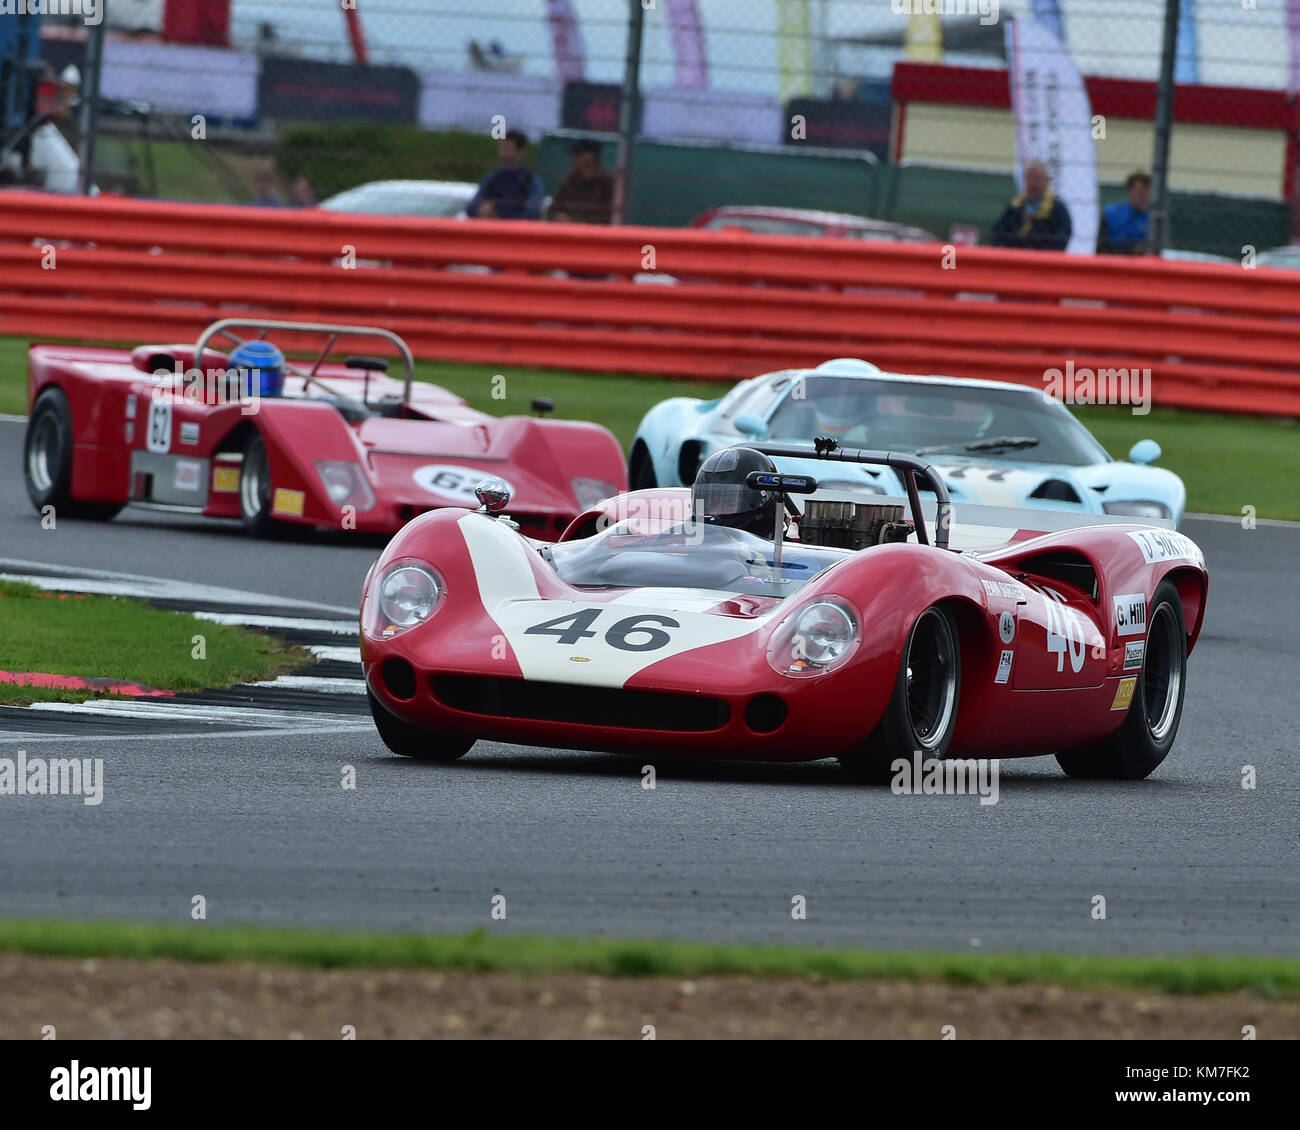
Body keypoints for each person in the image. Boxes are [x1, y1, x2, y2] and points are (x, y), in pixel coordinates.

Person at [691, 448, 781, 538]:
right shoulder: (688, 537)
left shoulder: (783, 548)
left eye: (730, 504)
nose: (716, 513)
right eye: (712, 505)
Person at [991, 161, 1072, 251]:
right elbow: (998, 233)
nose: (1033, 184)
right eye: (1030, 179)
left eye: (1037, 179)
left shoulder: (1056, 208)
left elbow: (1063, 236)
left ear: (1047, 181)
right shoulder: (1016, 206)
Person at [466, 130, 545, 220]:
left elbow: (533, 213)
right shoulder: (493, 178)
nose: (503, 152)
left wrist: (502, 218)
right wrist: (481, 210)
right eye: (502, 148)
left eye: (507, 148)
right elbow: (471, 208)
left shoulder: (531, 181)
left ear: (521, 151)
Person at [550, 139, 613, 224]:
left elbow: (608, 219)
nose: (573, 157)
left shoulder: (607, 183)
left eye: (578, 153)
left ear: (591, 156)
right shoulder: (572, 180)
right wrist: (558, 216)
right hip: (568, 233)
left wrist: (575, 222)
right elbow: (554, 208)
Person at [1097, 171, 1151, 254]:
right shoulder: (1111, 214)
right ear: (1130, 192)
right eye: (1139, 193)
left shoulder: (1153, 219)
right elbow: (1101, 247)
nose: (1143, 197)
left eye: (1146, 193)